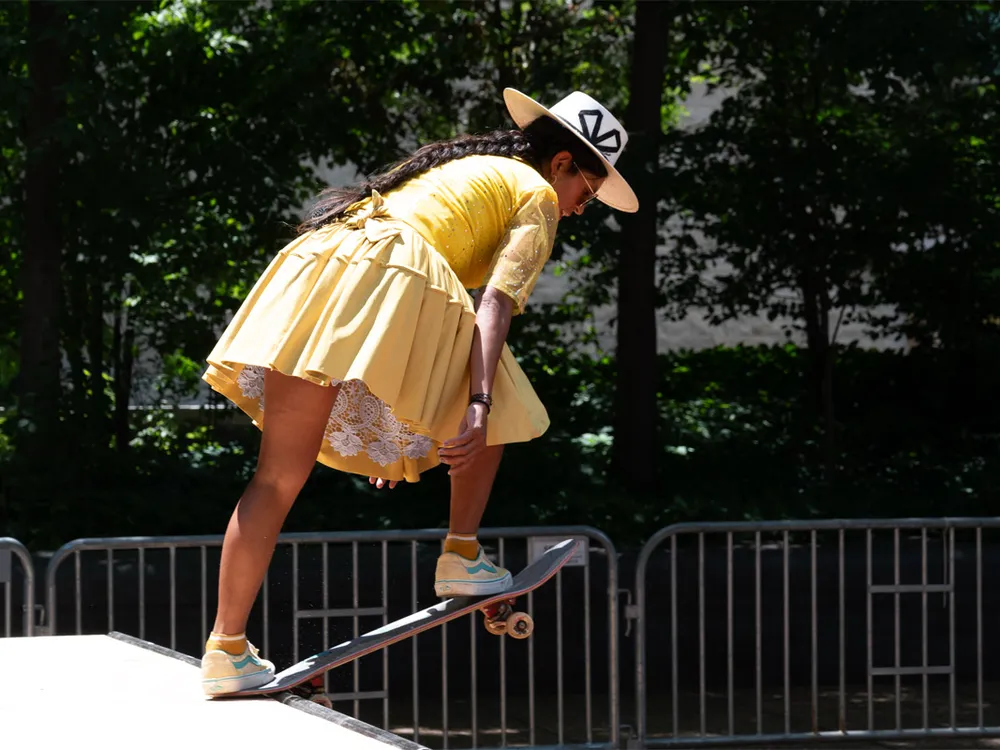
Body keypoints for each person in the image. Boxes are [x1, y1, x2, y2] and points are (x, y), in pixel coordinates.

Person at [198, 88, 638, 695]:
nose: (582, 209)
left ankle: (226, 649)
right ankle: (461, 554)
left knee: (274, 478)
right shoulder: (534, 194)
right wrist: (478, 406)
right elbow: (492, 307)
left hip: (326, 260)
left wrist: (394, 426)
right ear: (562, 164)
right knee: (499, 398)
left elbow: (401, 317)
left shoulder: (467, 171)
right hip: (388, 272)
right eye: (587, 192)